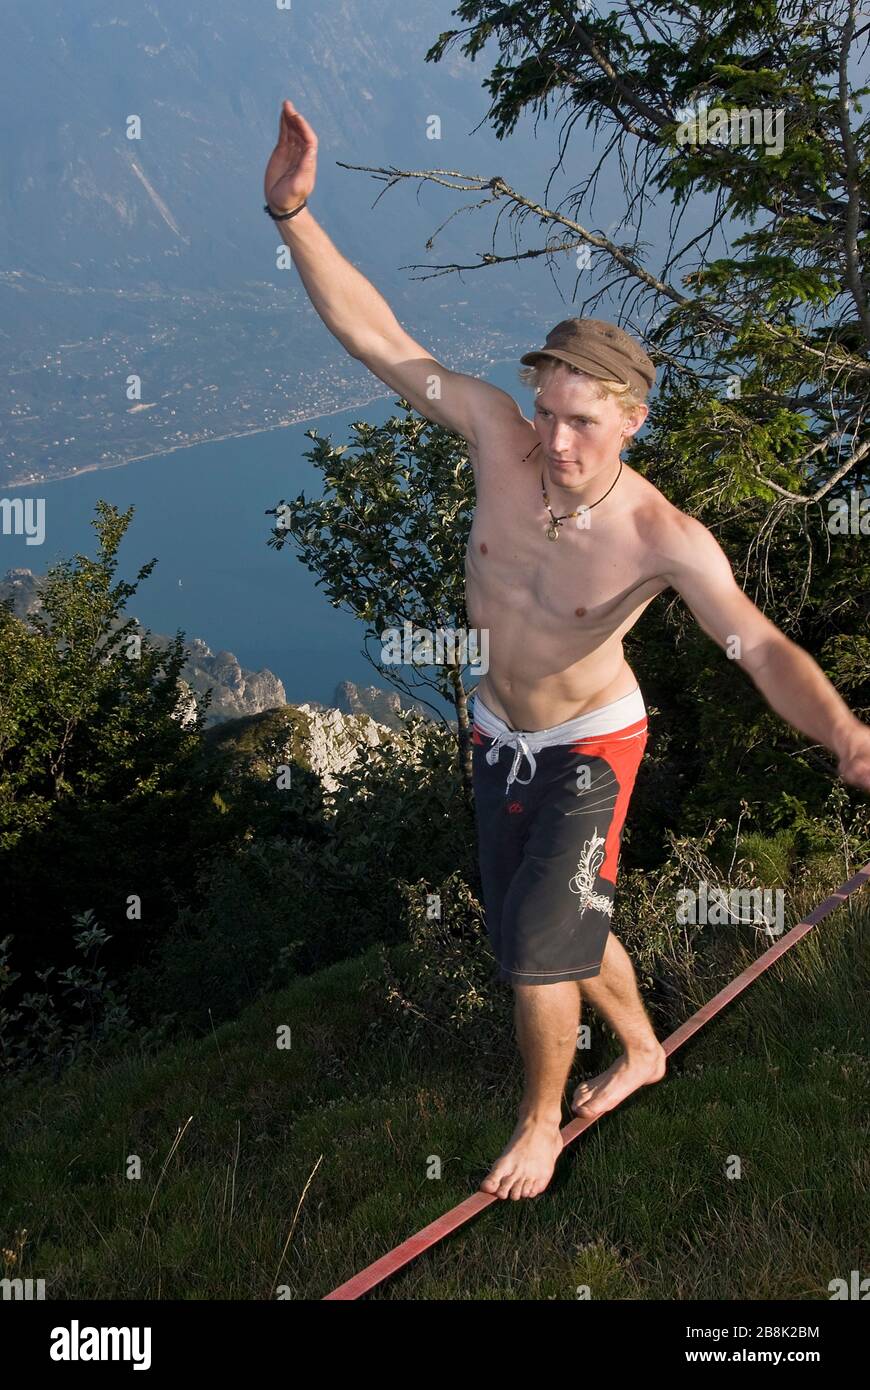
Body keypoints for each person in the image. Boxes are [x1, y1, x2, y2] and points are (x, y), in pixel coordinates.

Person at [264, 100, 870, 1202]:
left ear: (633, 419)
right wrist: (293, 213)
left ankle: (540, 1123)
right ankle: (643, 1050)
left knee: (538, 947)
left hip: (594, 741)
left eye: (581, 421)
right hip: (498, 734)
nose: (552, 437)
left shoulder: (664, 538)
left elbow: (759, 644)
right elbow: (380, 338)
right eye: (545, 411)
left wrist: (845, 732)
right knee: (558, 921)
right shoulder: (498, 437)